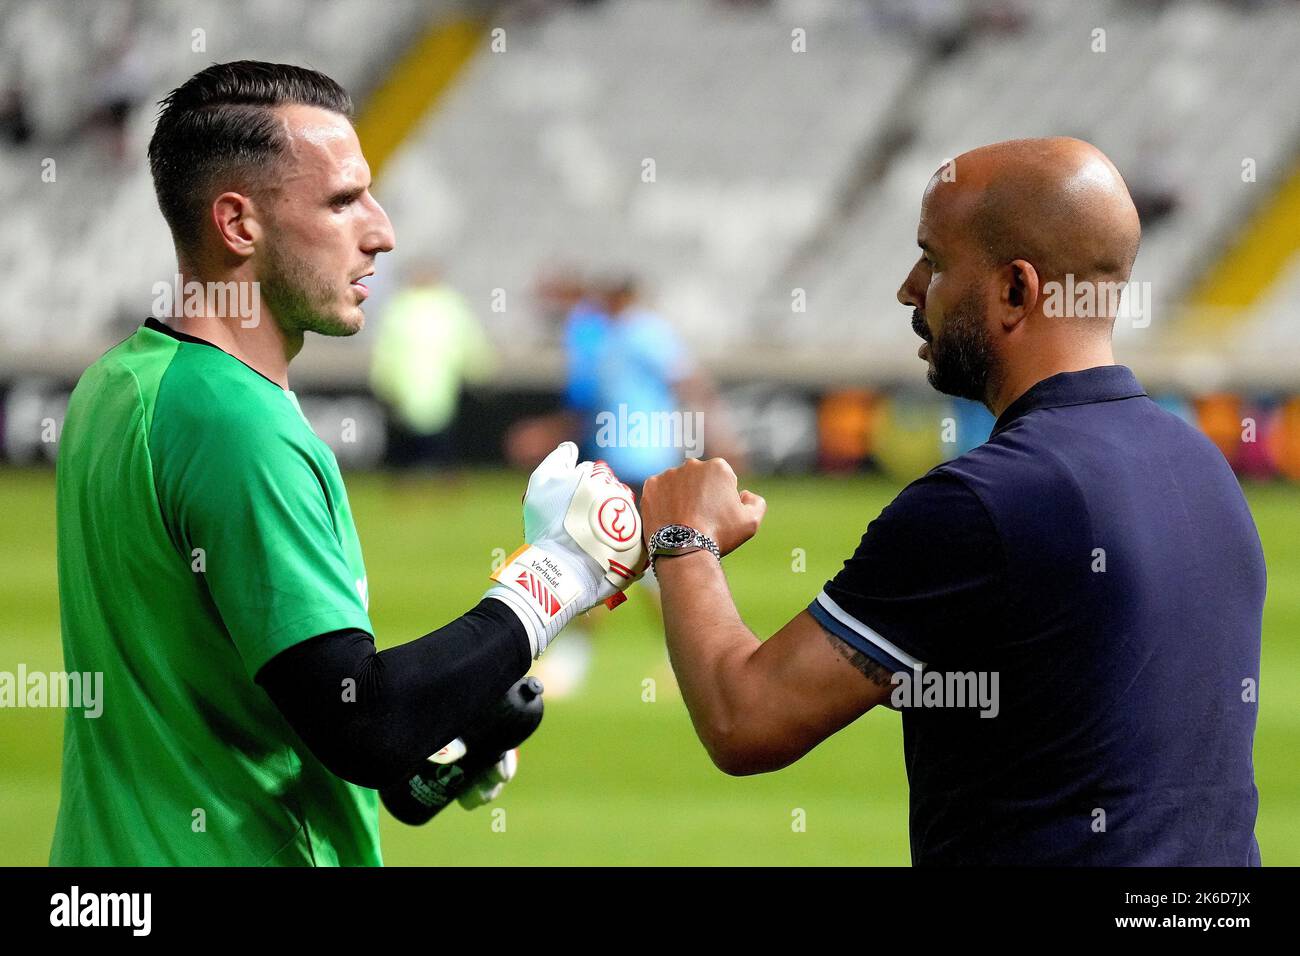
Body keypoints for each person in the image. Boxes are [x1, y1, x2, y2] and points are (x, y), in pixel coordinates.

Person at [50, 61, 642, 866]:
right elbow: (363, 722)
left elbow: (296, 707)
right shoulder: (238, 424)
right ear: (238, 224)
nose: (382, 230)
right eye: (342, 201)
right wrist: (559, 575)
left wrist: (434, 748)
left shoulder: (115, 385)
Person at [639, 137, 1265, 865]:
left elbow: (744, 719)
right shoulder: (1205, 469)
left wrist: (683, 538)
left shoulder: (986, 502)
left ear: (1015, 291)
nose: (909, 288)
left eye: (933, 260)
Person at [370, 259, 495, 472]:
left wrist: (383, 381)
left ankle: (427, 475)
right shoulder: (415, 306)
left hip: (427, 384)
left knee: (427, 436)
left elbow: (468, 341)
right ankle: (429, 475)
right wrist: (481, 371)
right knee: (427, 435)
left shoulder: (408, 306)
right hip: (421, 385)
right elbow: (470, 342)